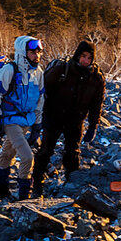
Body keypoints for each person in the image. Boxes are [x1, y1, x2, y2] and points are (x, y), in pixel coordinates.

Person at [31, 40, 105, 197]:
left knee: (73, 153)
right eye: (83, 56)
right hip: (54, 117)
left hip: (76, 121)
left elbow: (96, 104)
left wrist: (93, 125)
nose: (86, 60)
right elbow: (42, 91)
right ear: (77, 55)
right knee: (45, 151)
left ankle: (72, 184)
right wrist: (40, 116)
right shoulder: (61, 70)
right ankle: (37, 183)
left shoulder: (96, 79)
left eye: (89, 57)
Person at [0, 35, 46, 201]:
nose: (37, 55)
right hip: (10, 121)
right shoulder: (9, 70)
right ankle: (24, 197)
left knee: (7, 154)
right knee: (27, 157)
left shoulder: (38, 73)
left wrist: (37, 125)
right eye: (33, 52)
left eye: (39, 51)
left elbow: (40, 101)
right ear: (22, 52)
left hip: (27, 120)